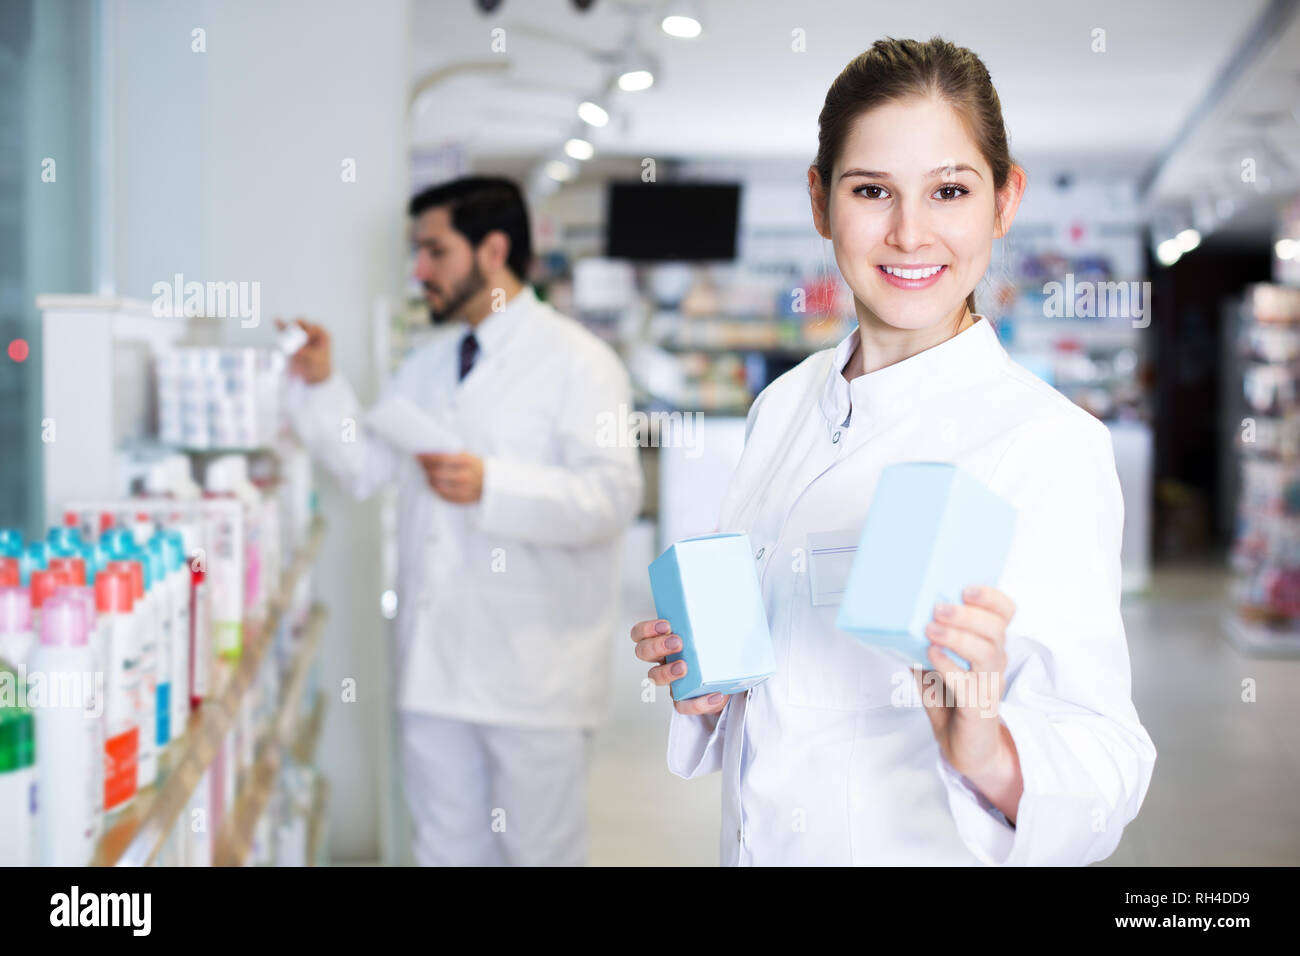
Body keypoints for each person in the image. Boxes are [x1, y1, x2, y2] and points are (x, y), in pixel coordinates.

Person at [629, 37, 1156, 865]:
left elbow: (1107, 759)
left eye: (950, 190)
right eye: (871, 190)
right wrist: (704, 687)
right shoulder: (783, 406)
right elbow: (782, 696)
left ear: (1004, 200)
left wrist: (988, 752)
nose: (911, 234)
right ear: (819, 200)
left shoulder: (1046, 444)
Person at [283, 176, 643, 866]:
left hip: (534, 672)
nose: (419, 271)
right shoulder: (426, 365)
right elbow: (365, 468)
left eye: (434, 252)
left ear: (493, 250)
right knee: (444, 847)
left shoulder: (580, 363)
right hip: (436, 665)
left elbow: (610, 498)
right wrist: (323, 383)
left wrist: (493, 485)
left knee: (539, 851)